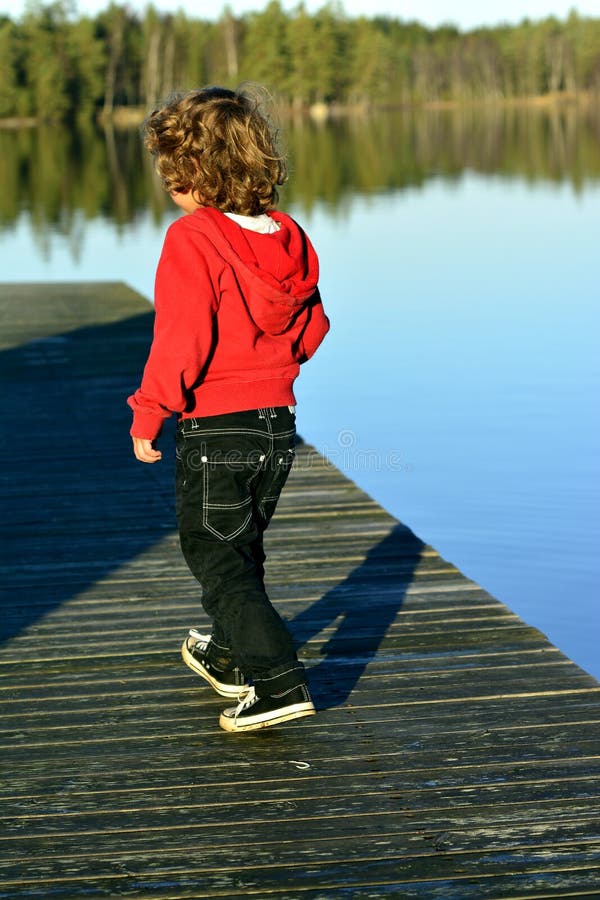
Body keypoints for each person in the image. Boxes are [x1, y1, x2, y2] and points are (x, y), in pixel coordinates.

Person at [127, 86, 330, 733]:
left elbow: (180, 339)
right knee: (238, 548)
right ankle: (228, 655)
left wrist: (148, 410)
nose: (170, 189)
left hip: (217, 424)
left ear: (194, 175)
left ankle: (278, 682)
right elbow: (313, 325)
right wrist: (277, 362)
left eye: (172, 176)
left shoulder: (193, 240)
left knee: (216, 557)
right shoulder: (287, 235)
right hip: (276, 423)